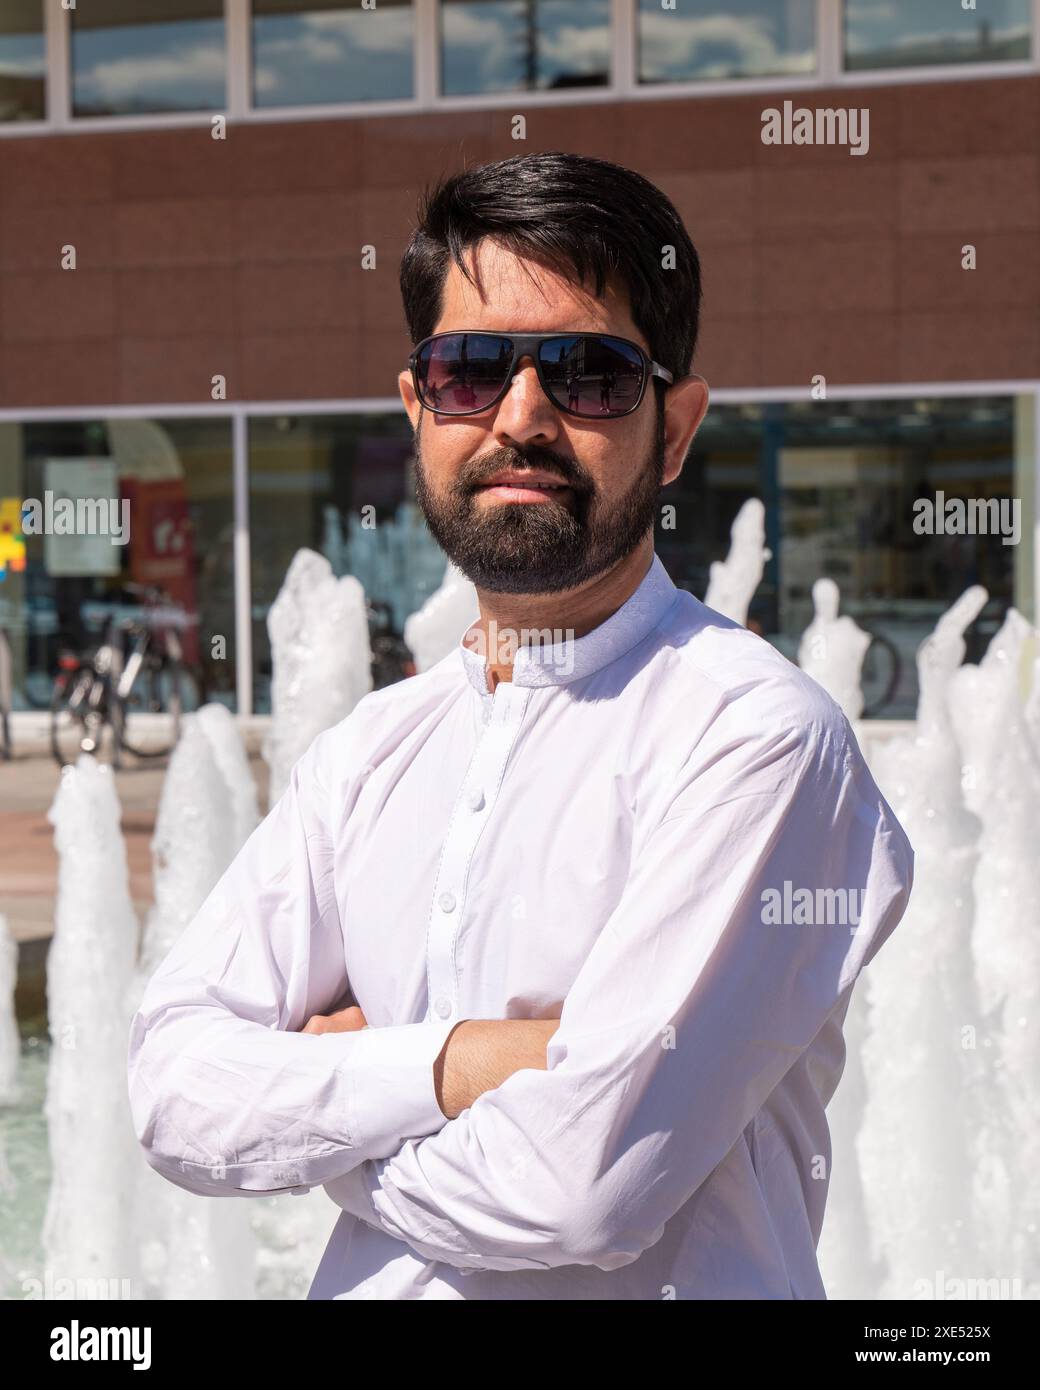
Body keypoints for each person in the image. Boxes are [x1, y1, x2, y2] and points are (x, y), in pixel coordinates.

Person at [127, 150, 914, 1301]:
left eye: (591, 374)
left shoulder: (753, 739)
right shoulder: (366, 754)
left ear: (676, 429)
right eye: (470, 370)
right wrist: (459, 1062)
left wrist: (330, 1110)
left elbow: (578, 1187)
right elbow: (167, 1088)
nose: (522, 416)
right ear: (417, 408)